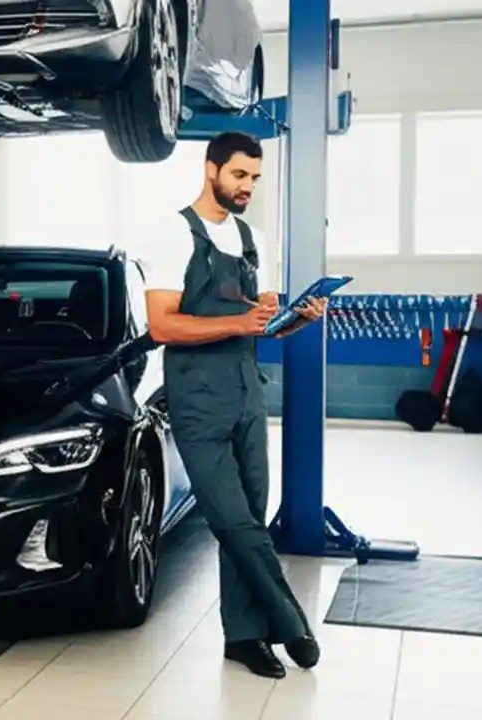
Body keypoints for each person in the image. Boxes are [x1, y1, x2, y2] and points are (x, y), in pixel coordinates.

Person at [139, 131, 328, 678]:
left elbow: (259, 326)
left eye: (255, 178)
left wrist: (296, 318)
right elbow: (162, 324)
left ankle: (244, 638)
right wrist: (239, 321)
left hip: (248, 396)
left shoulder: (253, 239)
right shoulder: (172, 233)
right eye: (240, 175)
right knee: (233, 520)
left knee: (250, 519)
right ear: (212, 169)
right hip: (197, 401)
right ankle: (290, 621)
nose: (248, 187)